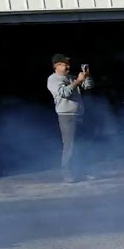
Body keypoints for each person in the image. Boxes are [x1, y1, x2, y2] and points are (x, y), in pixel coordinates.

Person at [47, 54, 95, 183]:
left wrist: (86, 77)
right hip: (66, 116)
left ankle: (81, 171)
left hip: (78, 114)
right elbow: (64, 93)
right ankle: (67, 173)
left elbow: (88, 86)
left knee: (82, 144)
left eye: (68, 64)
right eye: (64, 64)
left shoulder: (71, 77)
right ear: (56, 66)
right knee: (70, 145)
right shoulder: (53, 79)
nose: (67, 66)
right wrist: (78, 81)